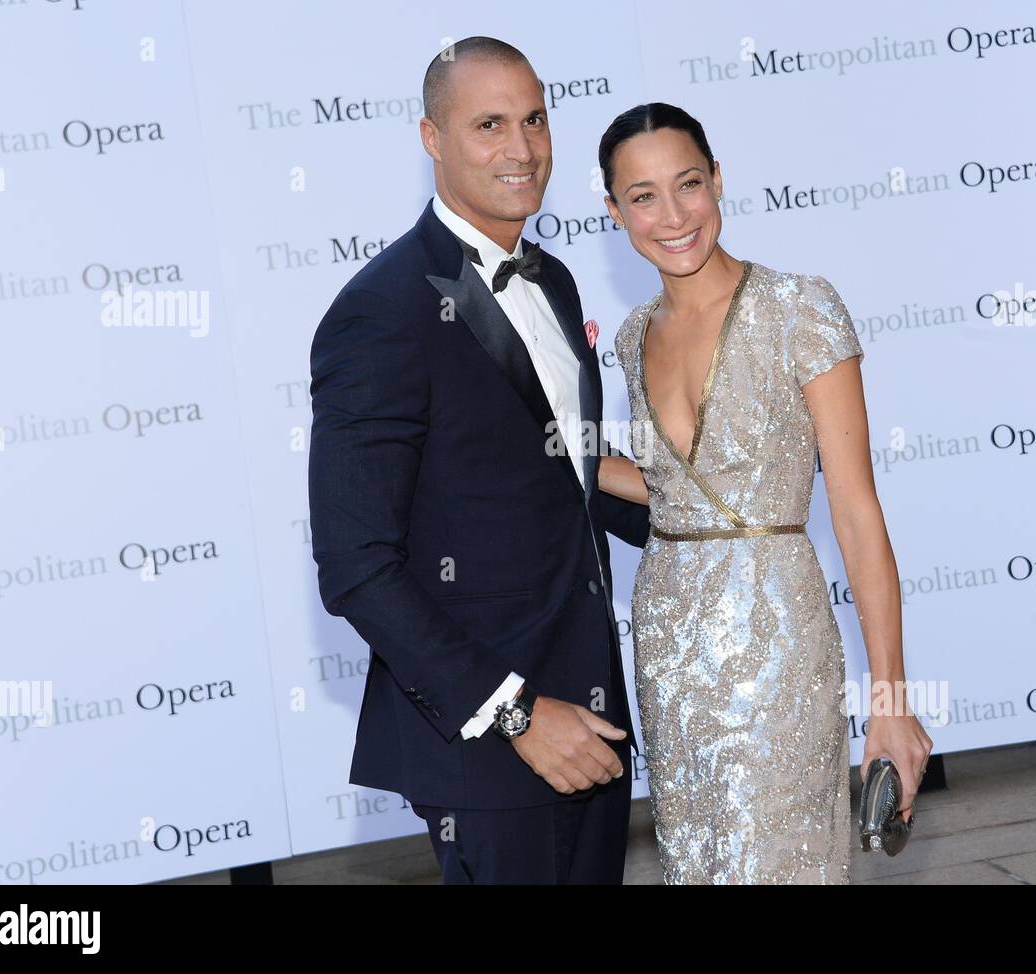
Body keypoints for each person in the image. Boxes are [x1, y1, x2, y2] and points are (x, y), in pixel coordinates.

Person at [307, 37, 650, 885]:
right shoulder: (379, 313)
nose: (523, 149)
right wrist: (519, 714)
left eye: (534, 120)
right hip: (490, 744)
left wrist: (724, 515)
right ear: (432, 138)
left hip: (595, 712)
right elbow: (355, 565)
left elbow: (558, 479)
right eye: (489, 124)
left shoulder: (558, 281)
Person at [596, 102, 933, 884]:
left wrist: (891, 698)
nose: (672, 215)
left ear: (718, 180)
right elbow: (675, 489)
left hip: (777, 635)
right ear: (614, 212)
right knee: (696, 858)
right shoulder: (632, 334)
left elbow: (854, 510)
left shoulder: (798, 308)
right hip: (669, 644)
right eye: (642, 196)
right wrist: (543, 452)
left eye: (687, 184)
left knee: (781, 858)